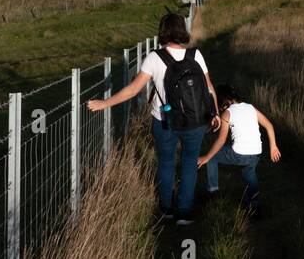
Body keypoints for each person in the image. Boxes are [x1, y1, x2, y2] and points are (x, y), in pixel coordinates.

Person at [87, 13, 219, 225]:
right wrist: (215, 114)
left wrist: (105, 103)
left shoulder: (154, 58)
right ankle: (184, 214)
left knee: (166, 163)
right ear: (182, 31)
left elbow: (133, 89)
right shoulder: (196, 55)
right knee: (188, 164)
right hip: (195, 122)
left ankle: (166, 210)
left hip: (164, 121)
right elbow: (209, 87)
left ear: (162, 32)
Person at [198, 85, 280, 215]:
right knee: (249, 172)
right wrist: (273, 146)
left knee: (213, 156)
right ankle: (255, 205)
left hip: (240, 154)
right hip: (256, 153)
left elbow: (221, 140)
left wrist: (207, 157)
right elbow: (269, 125)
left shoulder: (227, 113)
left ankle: (212, 192)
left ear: (224, 102)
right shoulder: (251, 107)